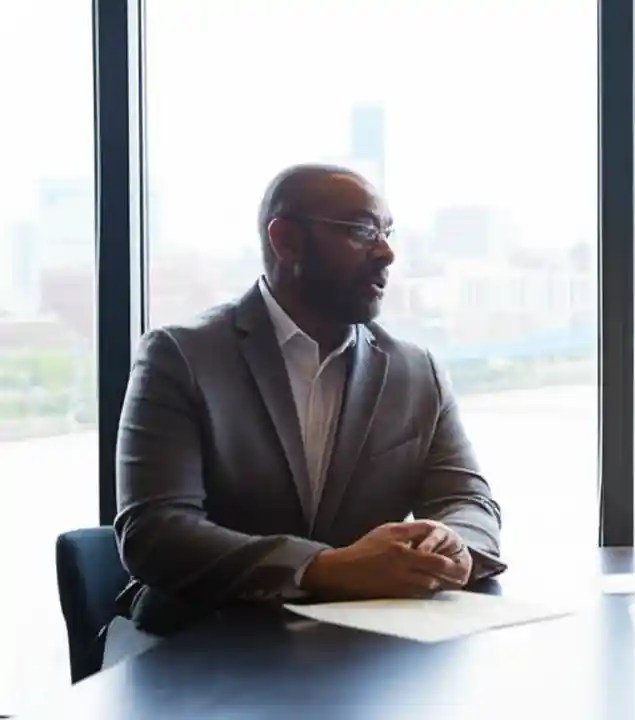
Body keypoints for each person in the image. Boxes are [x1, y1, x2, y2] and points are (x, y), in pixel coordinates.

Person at [106, 164, 503, 660]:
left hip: (362, 655)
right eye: (361, 232)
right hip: (198, 646)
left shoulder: (415, 371)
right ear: (287, 240)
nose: (386, 252)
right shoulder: (180, 356)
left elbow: (471, 504)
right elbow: (156, 533)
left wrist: (452, 545)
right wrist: (322, 569)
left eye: (386, 232)